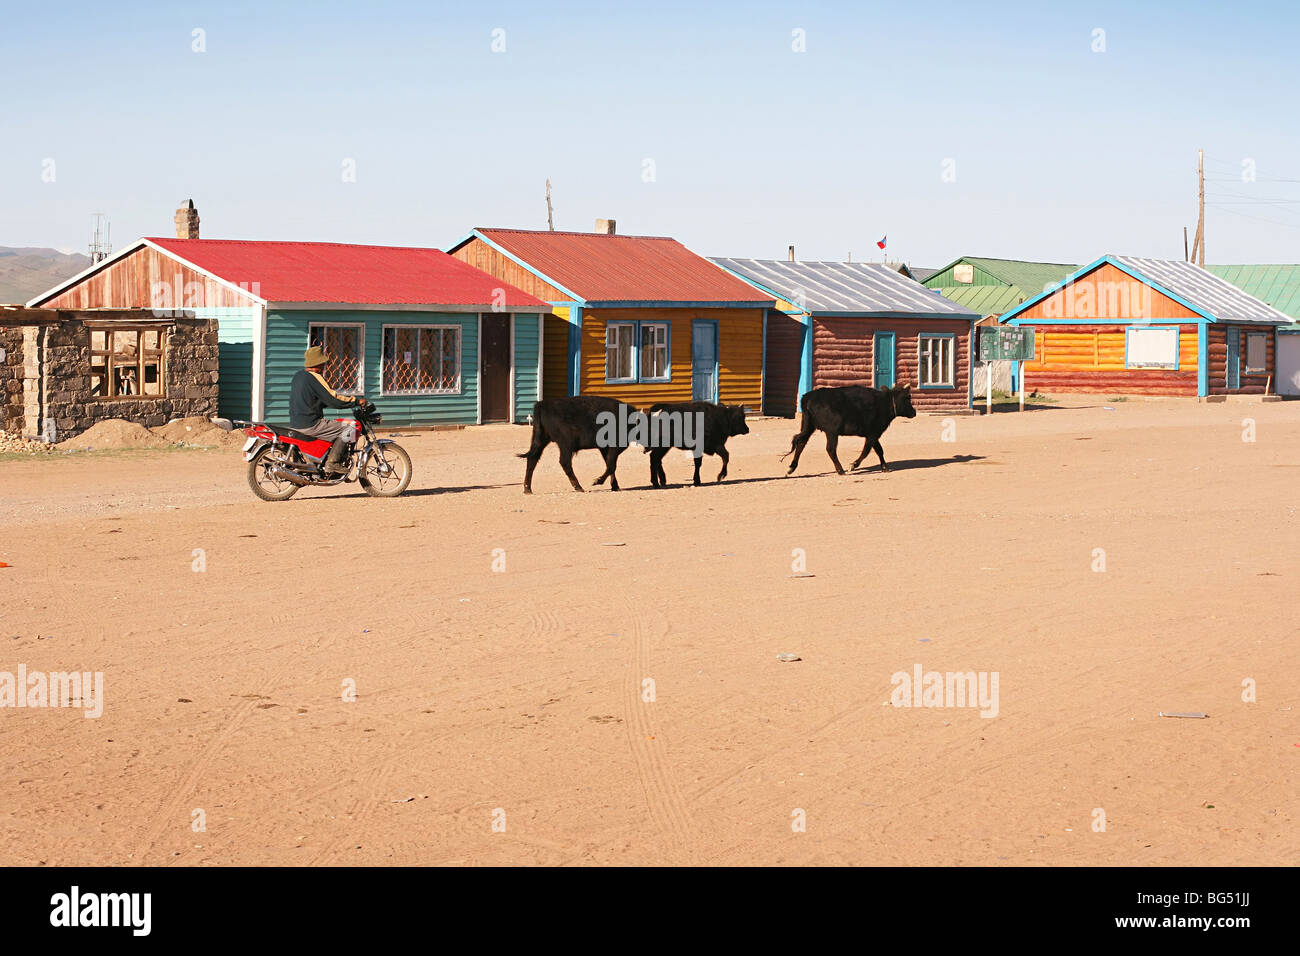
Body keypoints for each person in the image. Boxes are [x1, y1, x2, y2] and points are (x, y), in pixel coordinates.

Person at [290, 346, 363, 474]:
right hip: (311, 424)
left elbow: (312, 400)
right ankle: (332, 463)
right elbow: (333, 398)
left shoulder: (298, 376)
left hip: (296, 423)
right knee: (349, 429)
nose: (324, 366)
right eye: (323, 363)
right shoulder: (315, 377)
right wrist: (356, 401)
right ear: (318, 363)